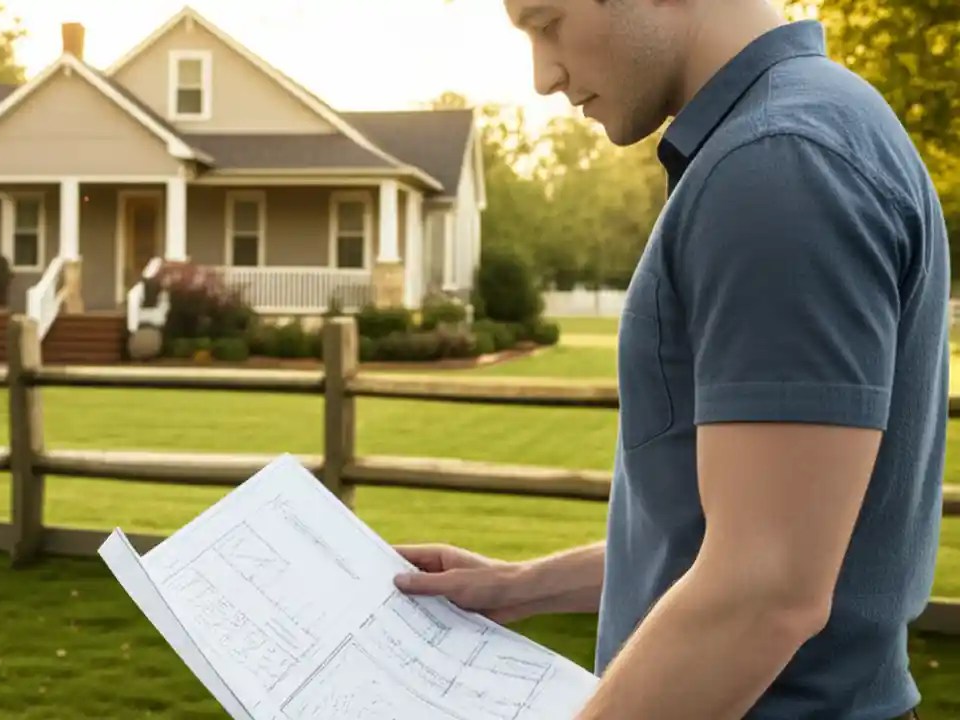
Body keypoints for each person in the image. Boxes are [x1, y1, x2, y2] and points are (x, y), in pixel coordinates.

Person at [393, 1, 950, 718]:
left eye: (547, 21)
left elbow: (762, 592)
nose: (542, 74)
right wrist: (518, 585)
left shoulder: (778, 163)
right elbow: (748, 539)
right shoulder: (804, 127)